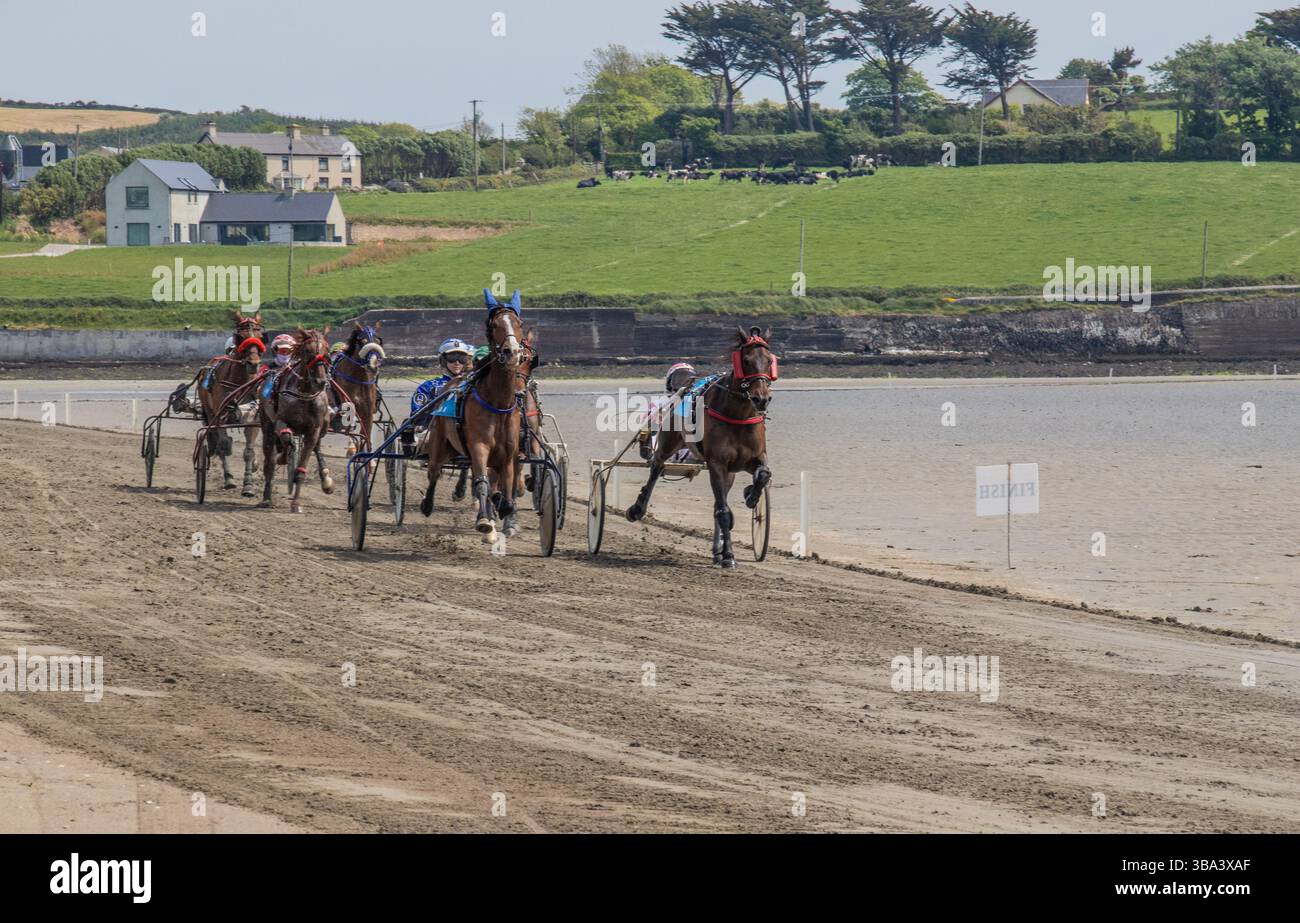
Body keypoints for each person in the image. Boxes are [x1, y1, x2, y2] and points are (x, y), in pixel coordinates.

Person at [401, 338, 474, 457]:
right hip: (434, 430)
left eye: (461, 358)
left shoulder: (473, 385)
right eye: (452, 357)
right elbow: (416, 413)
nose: (457, 363)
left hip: (470, 431)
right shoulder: (428, 387)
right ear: (443, 360)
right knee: (424, 439)